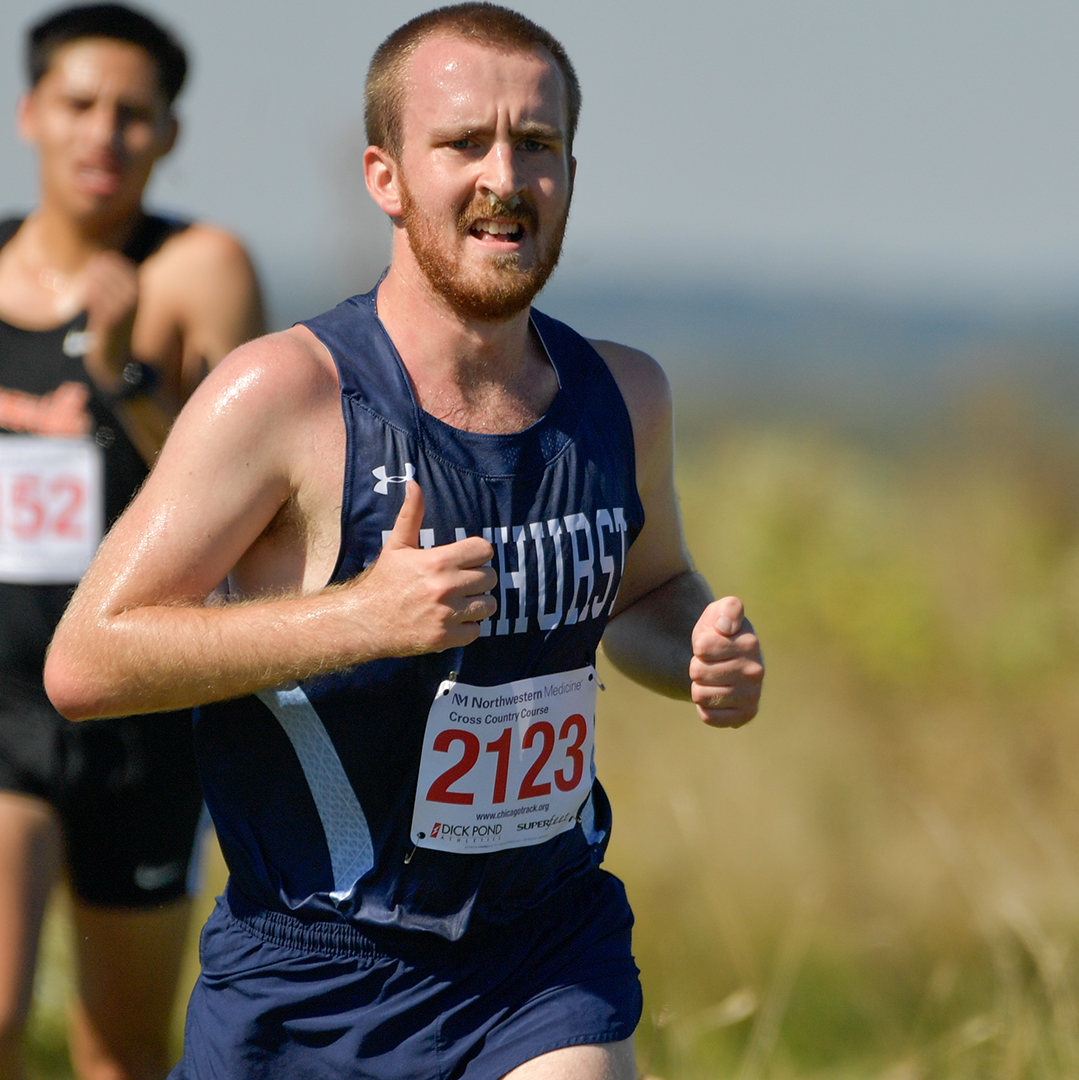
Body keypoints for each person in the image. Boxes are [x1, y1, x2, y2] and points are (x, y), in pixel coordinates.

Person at [43, 4, 763, 1078]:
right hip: (310, 981)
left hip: (540, 954)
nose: (504, 177)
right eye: (464, 143)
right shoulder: (281, 396)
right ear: (385, 177)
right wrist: (360, 620)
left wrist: (699, 650)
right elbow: (87, 660)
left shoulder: (625, 395)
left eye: (538, 145)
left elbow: (650, 592)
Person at [0, 5, 263, 1079]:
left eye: (135, 115)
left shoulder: (201, 269)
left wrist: (124, 373)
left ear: (170, 134)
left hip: (145, 705)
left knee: (121, 1059)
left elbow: (245, 490)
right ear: (30, 113)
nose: (104, 135)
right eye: (80, 106)